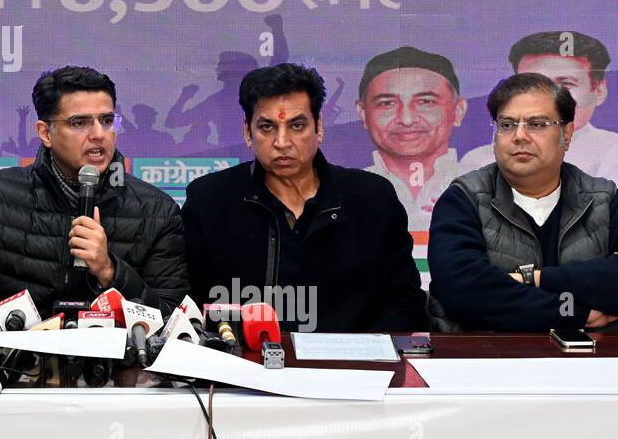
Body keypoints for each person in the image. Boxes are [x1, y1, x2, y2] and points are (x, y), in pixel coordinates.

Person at [0, 66, 188, 317]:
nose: (98, 134)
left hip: (116, 373)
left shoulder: (156, 211)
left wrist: (109, 271)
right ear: (45, 133)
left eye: (107, 120)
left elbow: (173, 320)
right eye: (79, 122)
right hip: (14, 371)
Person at [181, 64, 428, 332]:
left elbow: (405, 303)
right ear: (247, 132)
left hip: (352, 367)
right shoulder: (209, 201)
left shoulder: (373, 199)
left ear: (319, 127)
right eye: (267, 127)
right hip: (244, 366)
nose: (282, 141)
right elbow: (189, 306)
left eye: (297, 126)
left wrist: (363, 358)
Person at [429, 74, 617, 331]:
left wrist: (534, 278)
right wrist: (574, 313)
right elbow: (464, 290)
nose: (519, 136)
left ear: (567, 133)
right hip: (485, 360)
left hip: (593, 363)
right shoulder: (464, 198)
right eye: (507, 125)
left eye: (537, 124)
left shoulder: (604, 199)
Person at [459, 31, 616, 183]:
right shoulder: (479, 161)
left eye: (566, 84)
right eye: (531, 84)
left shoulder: (612, 151)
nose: (546, 98)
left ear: (599, 91)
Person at [357, 47, 466, 231]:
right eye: (387, 103)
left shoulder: (491, 194)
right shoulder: (340, 196)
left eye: (425, 102)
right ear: (363, 114)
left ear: (458, 111)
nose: (406, 119)